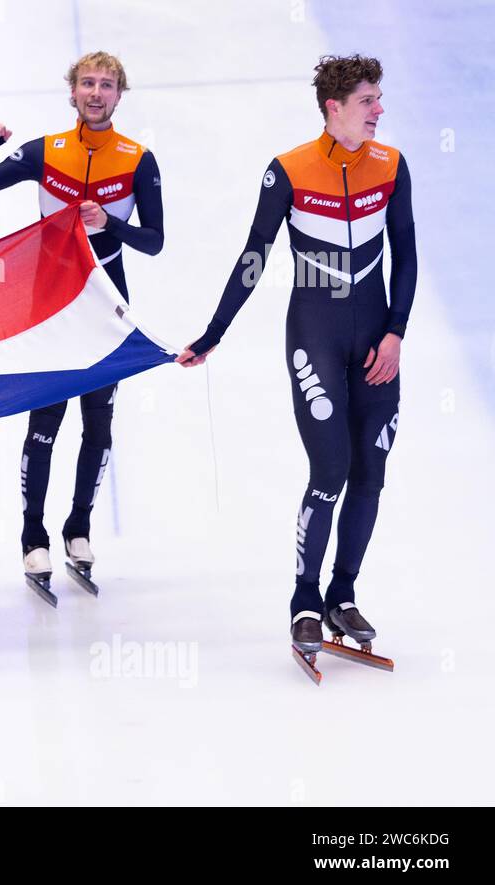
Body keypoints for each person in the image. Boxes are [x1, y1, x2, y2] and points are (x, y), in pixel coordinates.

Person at [177, 55, 416, 662]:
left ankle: (343, 594)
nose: (379, 110)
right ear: (333, 108)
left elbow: (407, 256)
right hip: (316, 331)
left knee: (372, 476)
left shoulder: (391, 165)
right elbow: (253, 258)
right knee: (331, 471)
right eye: (368, 101)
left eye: (379, 99)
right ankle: (304, 601)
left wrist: (395, 334)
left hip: (376, 344)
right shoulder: (288, 169)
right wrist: (212, 335)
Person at [0, 51, 164, 586]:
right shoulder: (46, 152)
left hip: (106, 305)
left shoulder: (138, 160)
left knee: (98, 423)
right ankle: (33, 536)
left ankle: (79, 528)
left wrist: (110, 226)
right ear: (72, 93)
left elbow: (155, 241)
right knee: (45, 423)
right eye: (88, 84)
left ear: (120, 95)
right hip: (49, 304)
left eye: (108, 85)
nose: (97, 93)